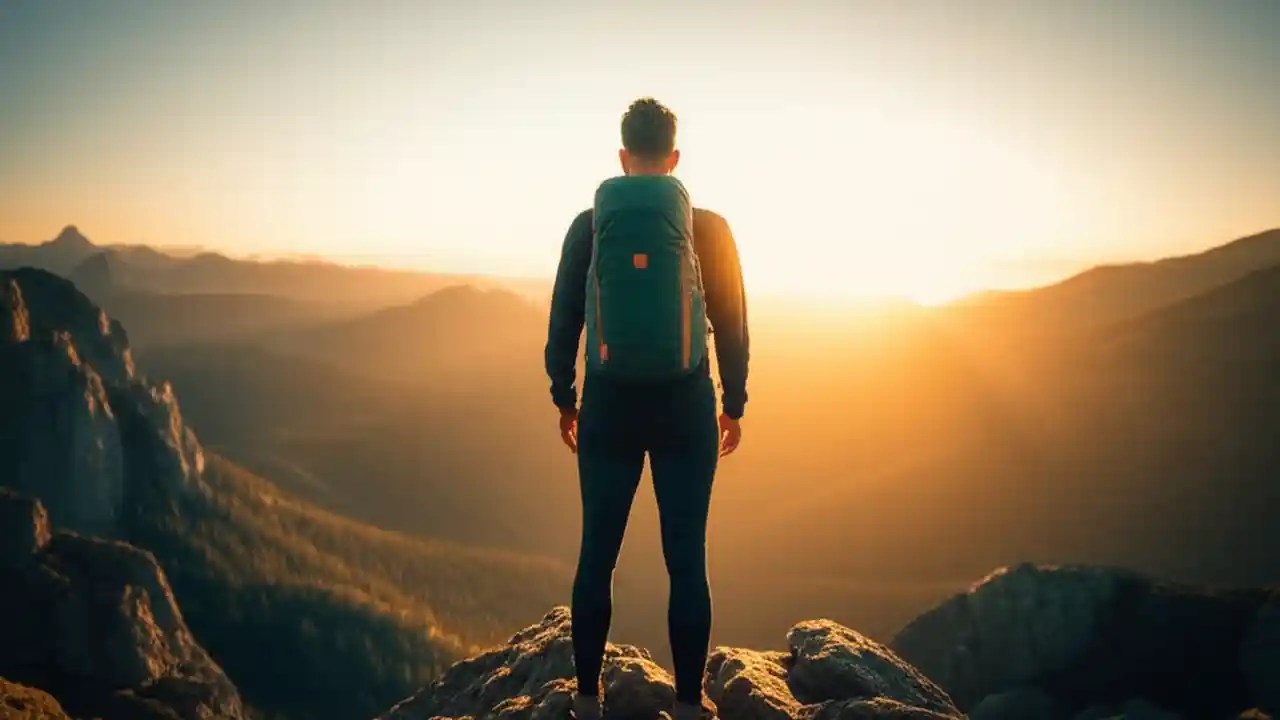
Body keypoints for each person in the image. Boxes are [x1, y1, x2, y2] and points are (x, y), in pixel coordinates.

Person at [544, 97, 750, 720]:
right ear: (676, 158)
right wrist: (732, 403)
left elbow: (564, 322)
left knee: (596, 555)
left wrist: (565, 396)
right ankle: (689, 705)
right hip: (686, 407)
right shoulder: (706, 227)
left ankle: (585, 700)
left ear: (623, 156)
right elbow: (733, 323)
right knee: (687, 561)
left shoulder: (590, 224)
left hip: (608, 404)